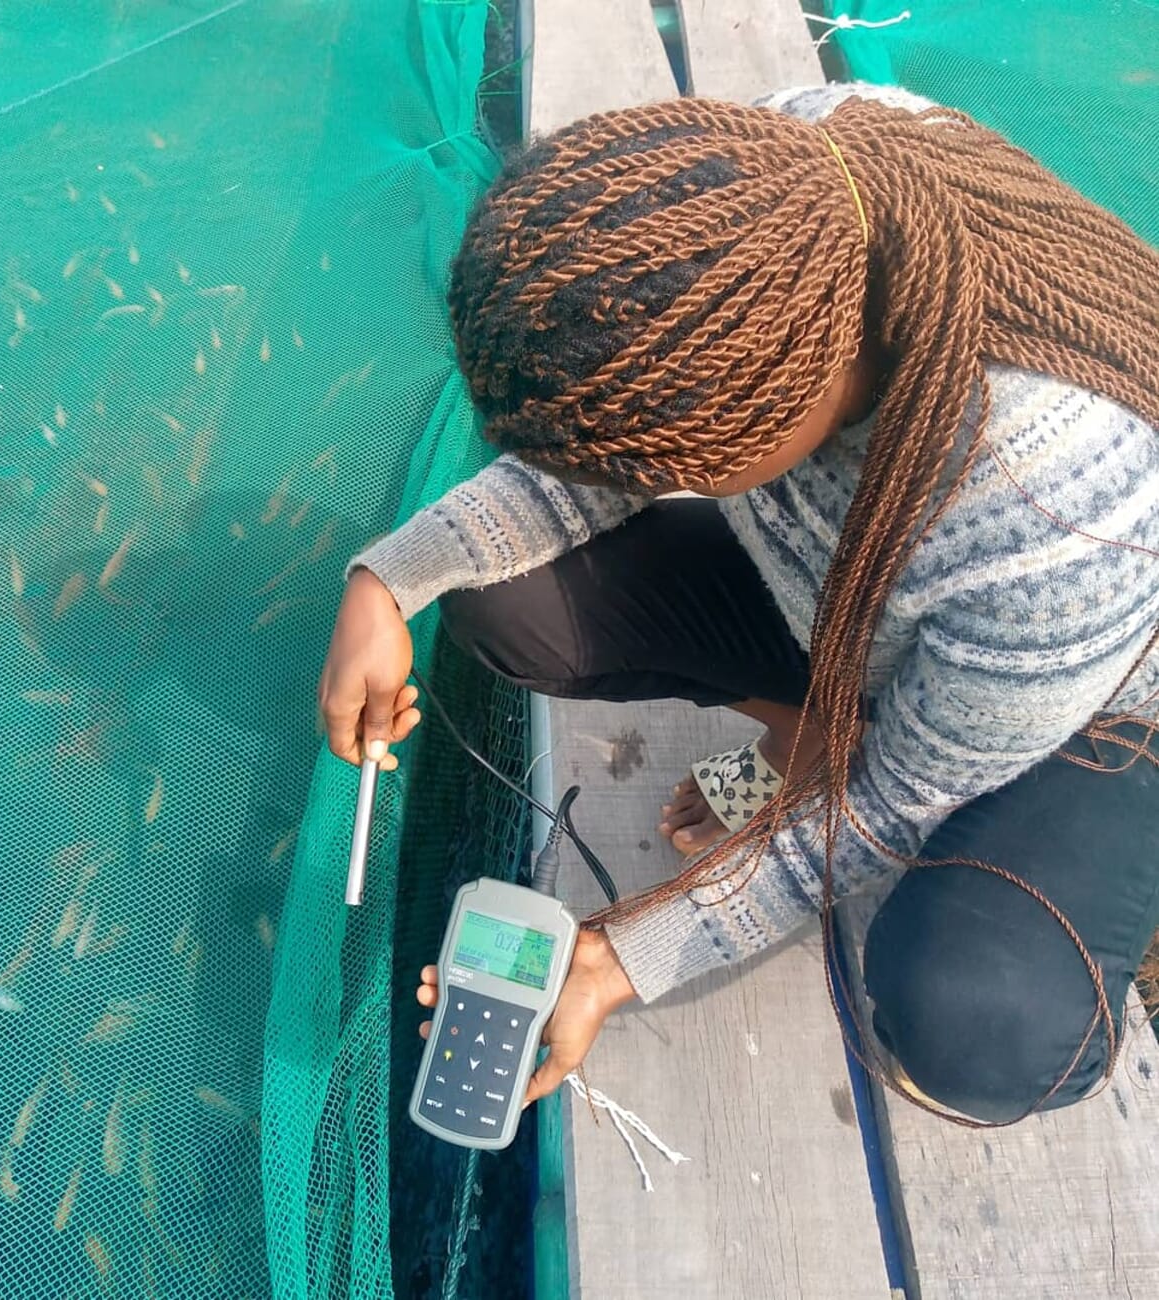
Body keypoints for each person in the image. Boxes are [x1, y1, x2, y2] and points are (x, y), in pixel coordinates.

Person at [318, 82, 1159, 1125]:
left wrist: (618, 957)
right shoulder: (786, 172)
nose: (617, 479)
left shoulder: (1056, 521)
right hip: (859, 607)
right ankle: (811, 725)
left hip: (1091, 702)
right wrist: (391, 580)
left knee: (976, 1024)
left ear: (775, 400)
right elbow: (604, 436)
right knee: (497, 601)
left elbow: (890, 801)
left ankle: (1059, 891)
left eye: (660, 463)